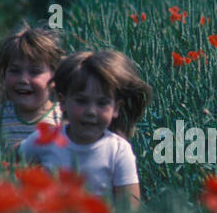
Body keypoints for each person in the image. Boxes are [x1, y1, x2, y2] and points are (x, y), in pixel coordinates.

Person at [18, 49, 151, 205]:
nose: (91, 112)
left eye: (102, 103)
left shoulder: (118, 151)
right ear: (62, 102)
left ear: (116, 108)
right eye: (81, 101)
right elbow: (11, 168)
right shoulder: (44, 140)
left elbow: (130, 211)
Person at [0, 23, 64, 150]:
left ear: (54, 77)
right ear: (4, 75)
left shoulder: (61, 118)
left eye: (35, 72)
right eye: (15, 71)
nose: (23, 79)